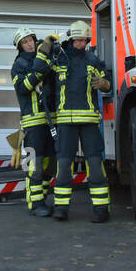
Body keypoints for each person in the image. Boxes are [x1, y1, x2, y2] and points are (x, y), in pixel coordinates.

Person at [39, 19, 112, 223]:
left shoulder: (93, 60)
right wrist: (43, 50)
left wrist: (105, 84)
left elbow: (108, 82)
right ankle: (61, 208)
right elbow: (41, 77)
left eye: (84, 40)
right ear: (70, 40)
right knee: (63, 166)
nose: (81, 43)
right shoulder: (58, 61)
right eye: (77, 40)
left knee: (95, 165)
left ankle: (101, 210)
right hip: (65, 123)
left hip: (88, 121)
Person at [11, 27, 57, 217]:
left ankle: (43, 198)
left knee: (50, 165)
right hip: (32, 123)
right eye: (25, 42)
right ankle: (35, 203)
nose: (30, 44)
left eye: (31, 40)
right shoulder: (19, 65)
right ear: (20, 46)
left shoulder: (43, 59)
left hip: (51, 121)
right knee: (34, 165)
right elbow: (23, 88)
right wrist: (38, 70)